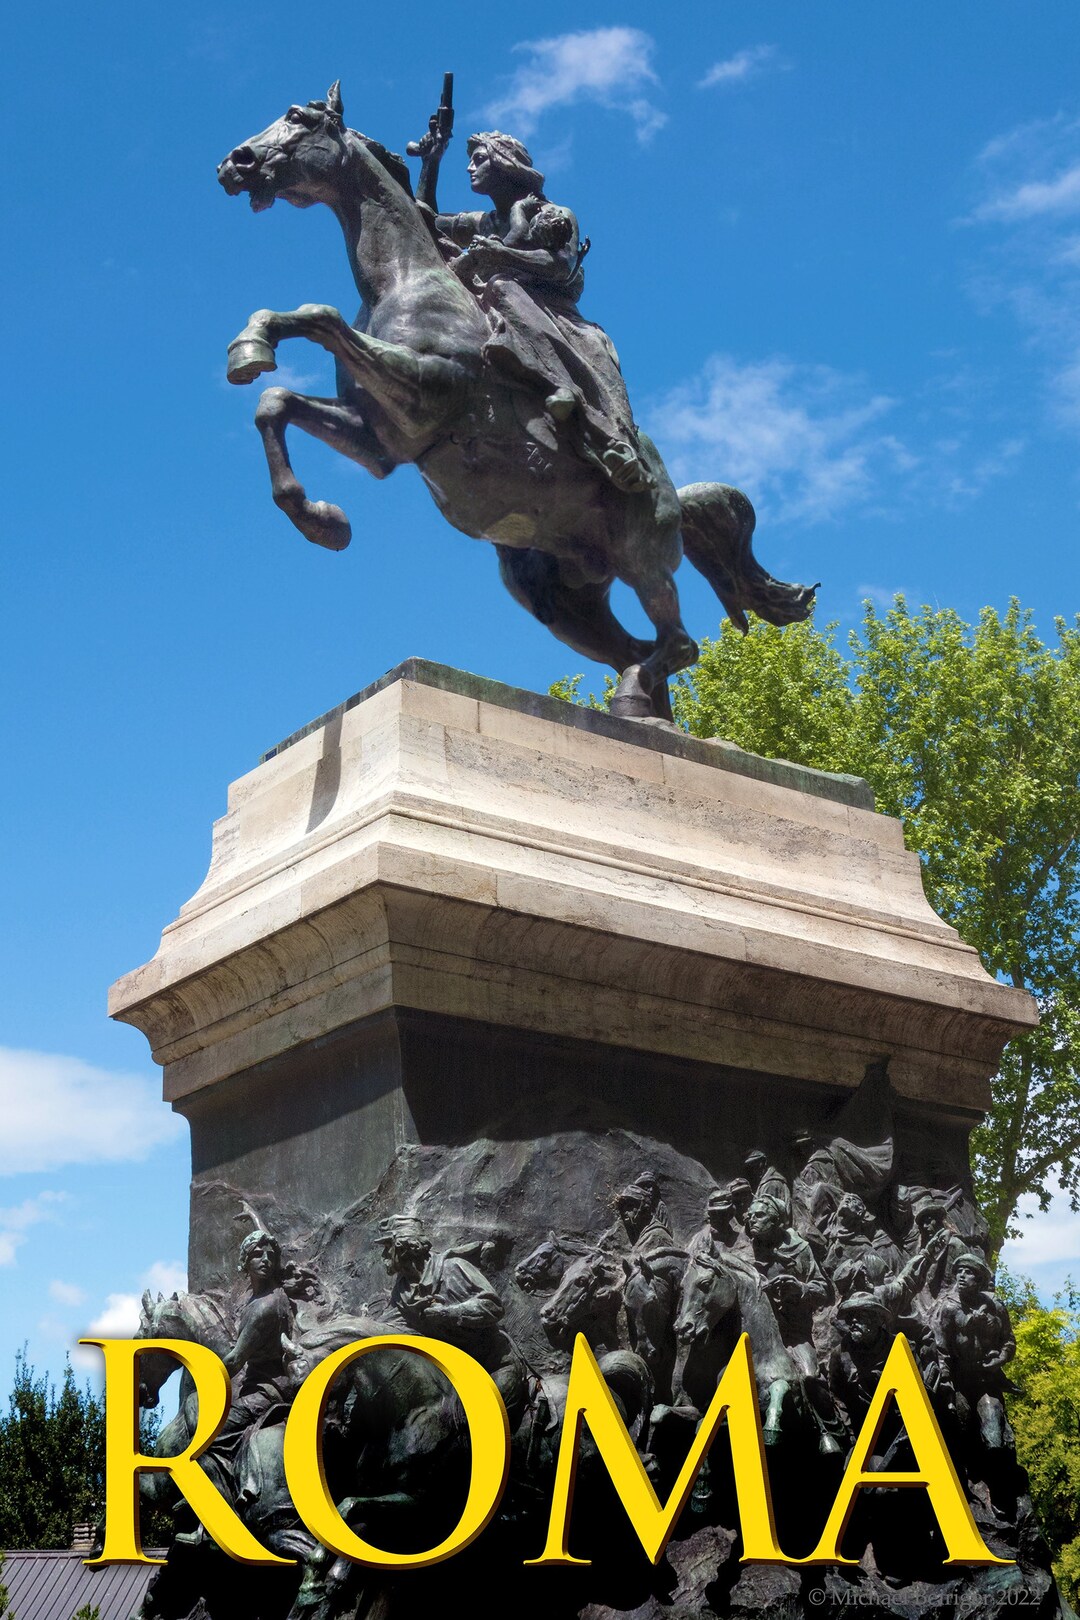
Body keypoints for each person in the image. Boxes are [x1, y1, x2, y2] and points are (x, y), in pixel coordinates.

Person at [415, 122, 649, 492]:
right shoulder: (484, 222)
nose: (470, 167)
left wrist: (500, 255)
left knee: (503, 287)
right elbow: (424, 220)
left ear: (505, 164)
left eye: (479, 159)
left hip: (551, 311)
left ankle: (609, 435)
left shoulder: (553, 213)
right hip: (494, 302)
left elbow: (561, 266)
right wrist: (432, 162)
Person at [378, 1214, 528, 1424]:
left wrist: (447, 1313)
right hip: (452, 1375)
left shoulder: (453, 1268)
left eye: (388, 1247)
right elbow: (387, 1327)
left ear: (404, 1247)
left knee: (476, 1420)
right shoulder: (402, 1290)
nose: (384, 1255)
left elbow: (493, 1307)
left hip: (493, 1365)